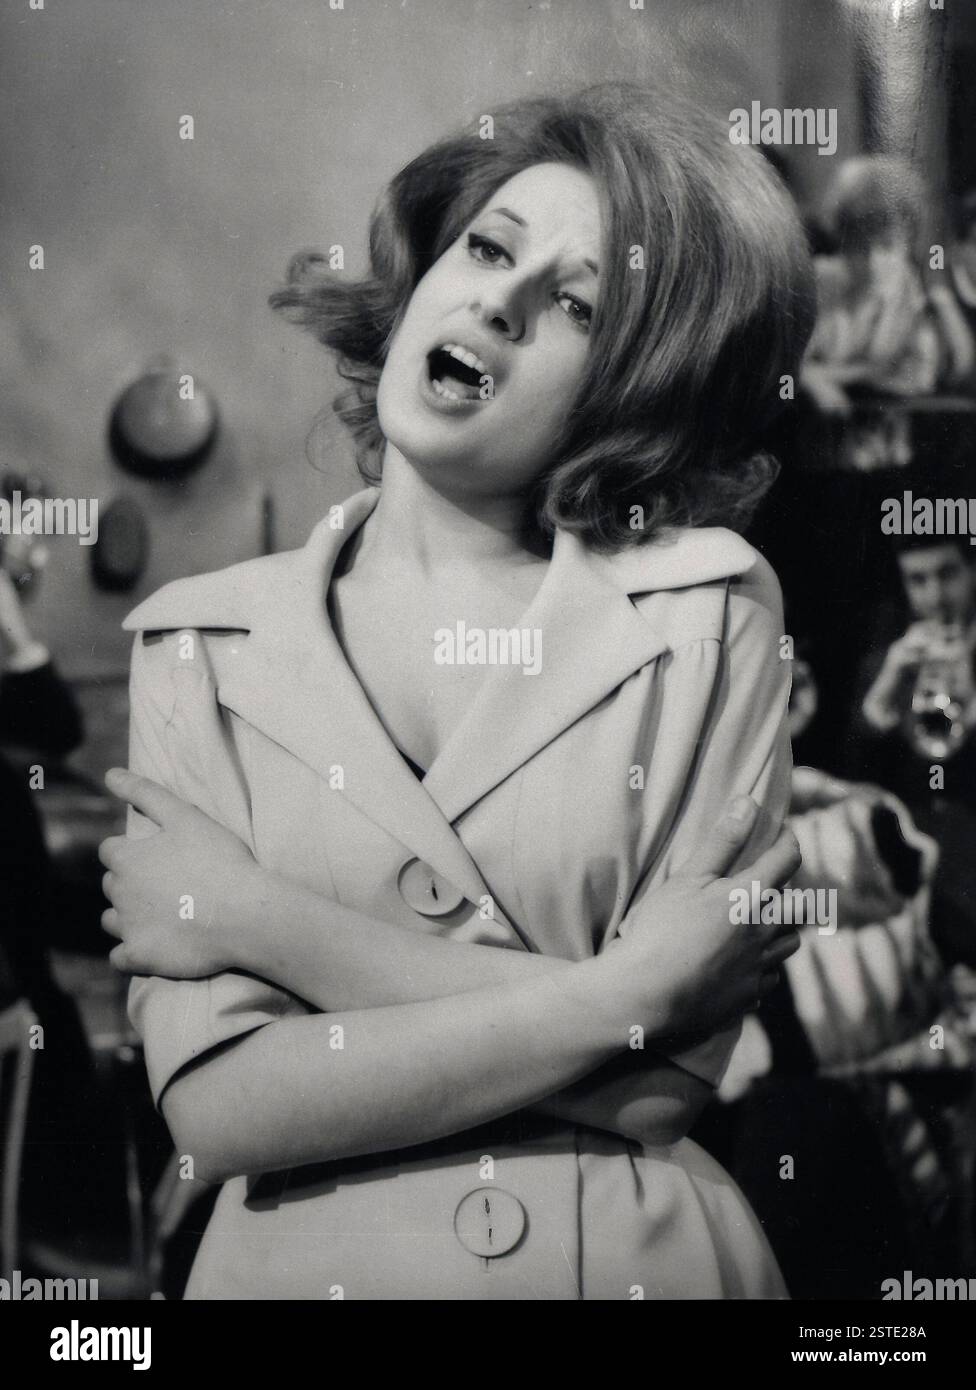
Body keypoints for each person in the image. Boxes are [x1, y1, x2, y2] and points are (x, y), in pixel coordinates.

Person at [98, 82, 815, 1300]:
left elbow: (659, 1086)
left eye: (576, 305)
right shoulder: (196, 641)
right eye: (487, 248)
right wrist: (621, 992)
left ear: (636, 386)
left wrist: (254, 919)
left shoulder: (708, 609)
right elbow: (221, 1112)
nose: (500, 298)